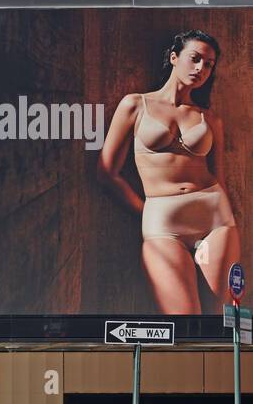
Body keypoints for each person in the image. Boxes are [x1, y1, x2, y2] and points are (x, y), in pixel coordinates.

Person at [99, 30, 239, 315]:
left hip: (214, 219)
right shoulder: (135, 105)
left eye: (209, 64)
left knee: (219, 320)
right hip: (163, 222)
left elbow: (219, 177)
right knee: (184, 321)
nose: (201, 68)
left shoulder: (209, 118)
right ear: (174, 58)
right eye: (195, 58)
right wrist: (147, 211)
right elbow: (106, 172)